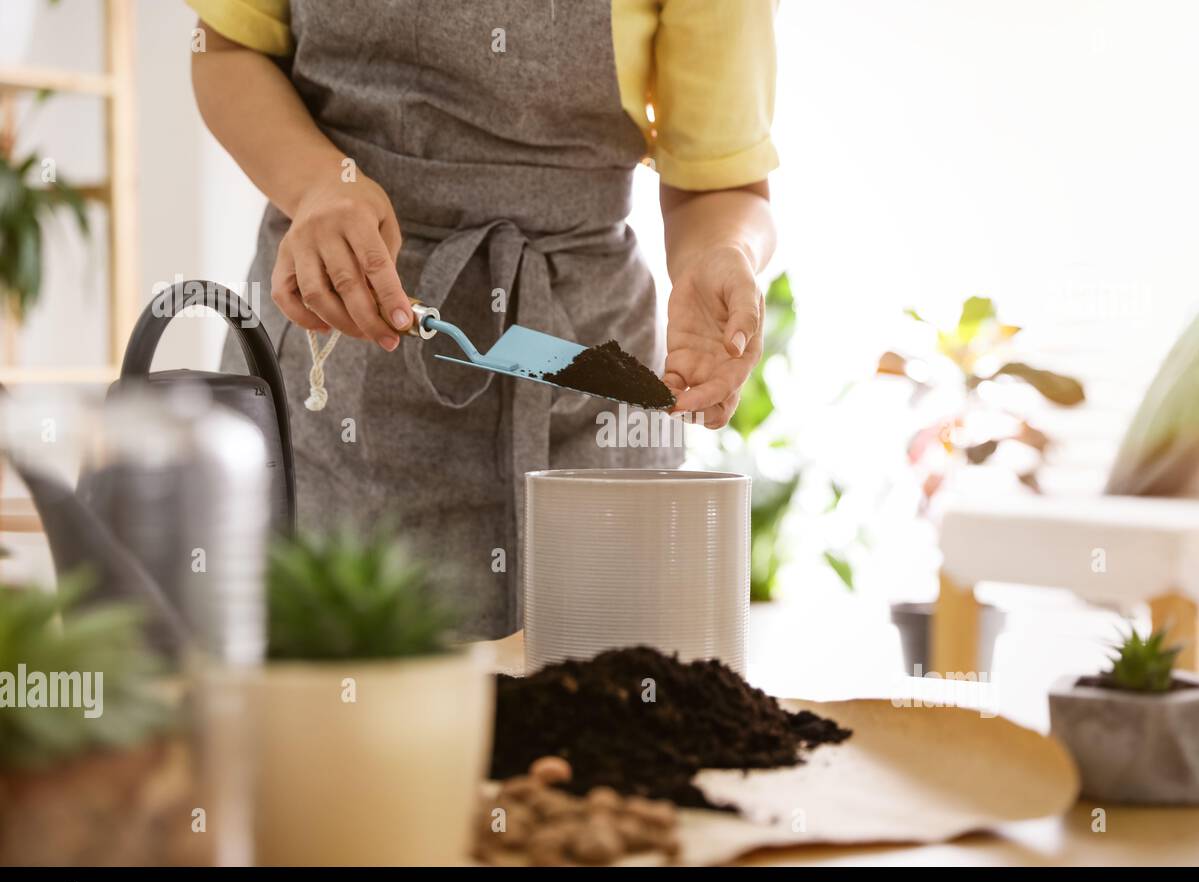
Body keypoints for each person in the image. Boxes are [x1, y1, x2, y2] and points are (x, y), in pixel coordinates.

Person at [189, 0, 778, 636]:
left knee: (606, 689)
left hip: (588, 379)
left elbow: (720, 182)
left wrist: (723, 252)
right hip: (337, 351)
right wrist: (319, 184)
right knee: (331, 702)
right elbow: (224, 49)